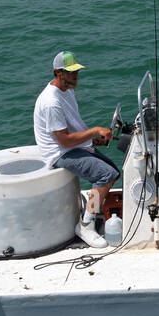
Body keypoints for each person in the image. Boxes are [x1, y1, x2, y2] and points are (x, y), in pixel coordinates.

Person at [33, 51, 118, 248]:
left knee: (114, 173)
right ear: (58, 72)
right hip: (59, 153)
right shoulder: (51, 102)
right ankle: (86, 226)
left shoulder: (68, 90)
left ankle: (93, 208)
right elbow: (63, 140)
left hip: (72, 146)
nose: (75, 76)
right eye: (71, 72)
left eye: (77, 71)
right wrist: (95, 131)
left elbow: (73, 128)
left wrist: (92, 142)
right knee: (106, 174)